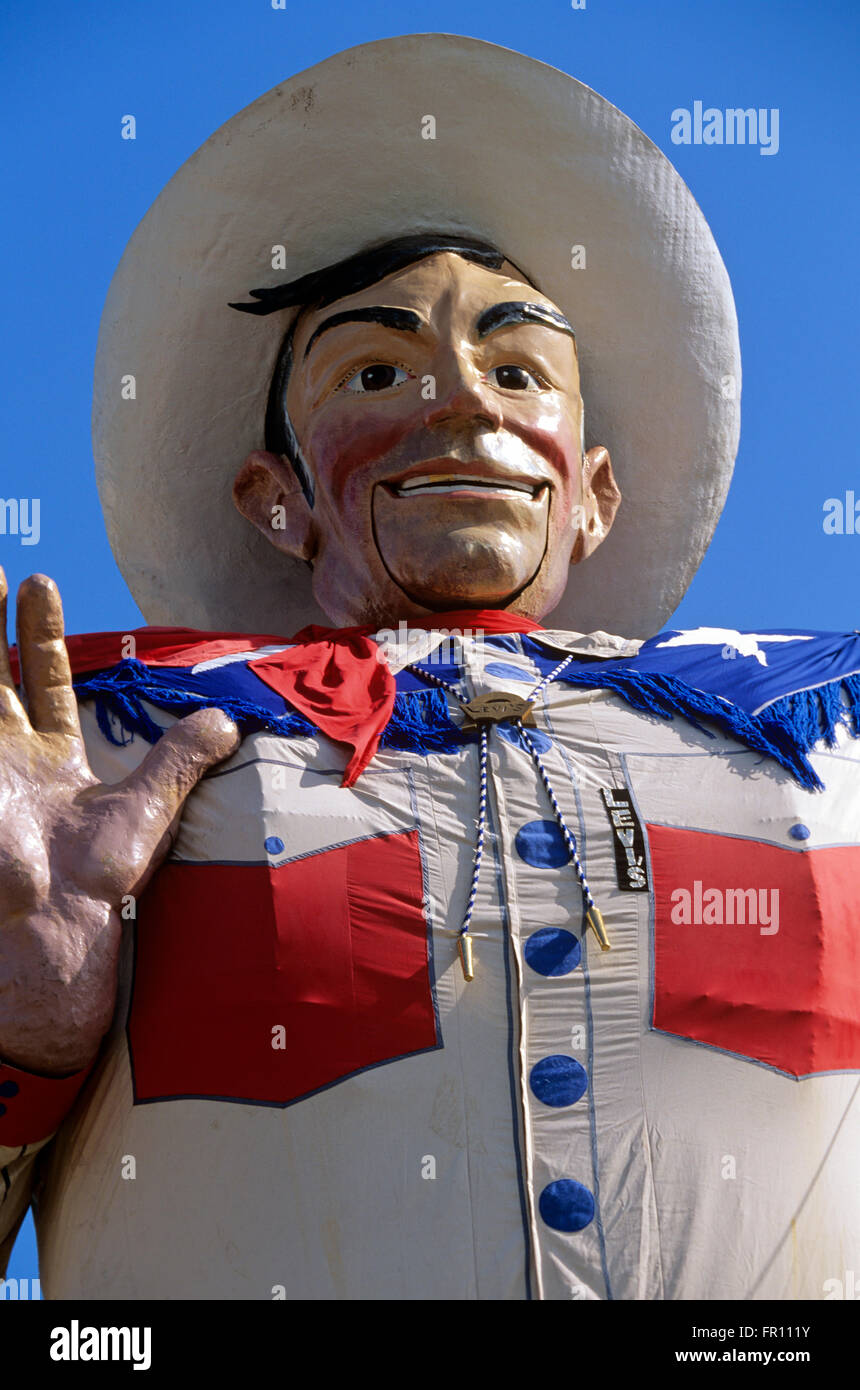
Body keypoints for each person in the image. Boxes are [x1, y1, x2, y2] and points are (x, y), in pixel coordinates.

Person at [1, 35, 858, 1302]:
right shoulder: (92, 762)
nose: (463, 403)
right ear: (272, 496)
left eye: (518, 371)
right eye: (378, 371)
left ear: (594, 496)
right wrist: (18, 1047)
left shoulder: (820, 732)